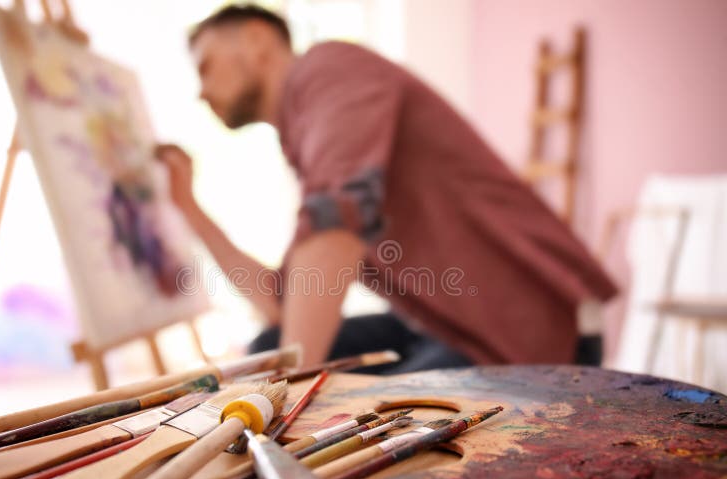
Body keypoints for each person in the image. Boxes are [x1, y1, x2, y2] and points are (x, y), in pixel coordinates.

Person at [155, 4, 618, 374]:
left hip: (530, 330)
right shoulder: (307, 135)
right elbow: (282, 301)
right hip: (442, 325)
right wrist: (188, 207)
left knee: (369, 428)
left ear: (256, 38)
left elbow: (337, 217)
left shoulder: (330, 69)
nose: (201, 91)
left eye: (206, 66)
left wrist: (286, 405)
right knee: (270, 348)